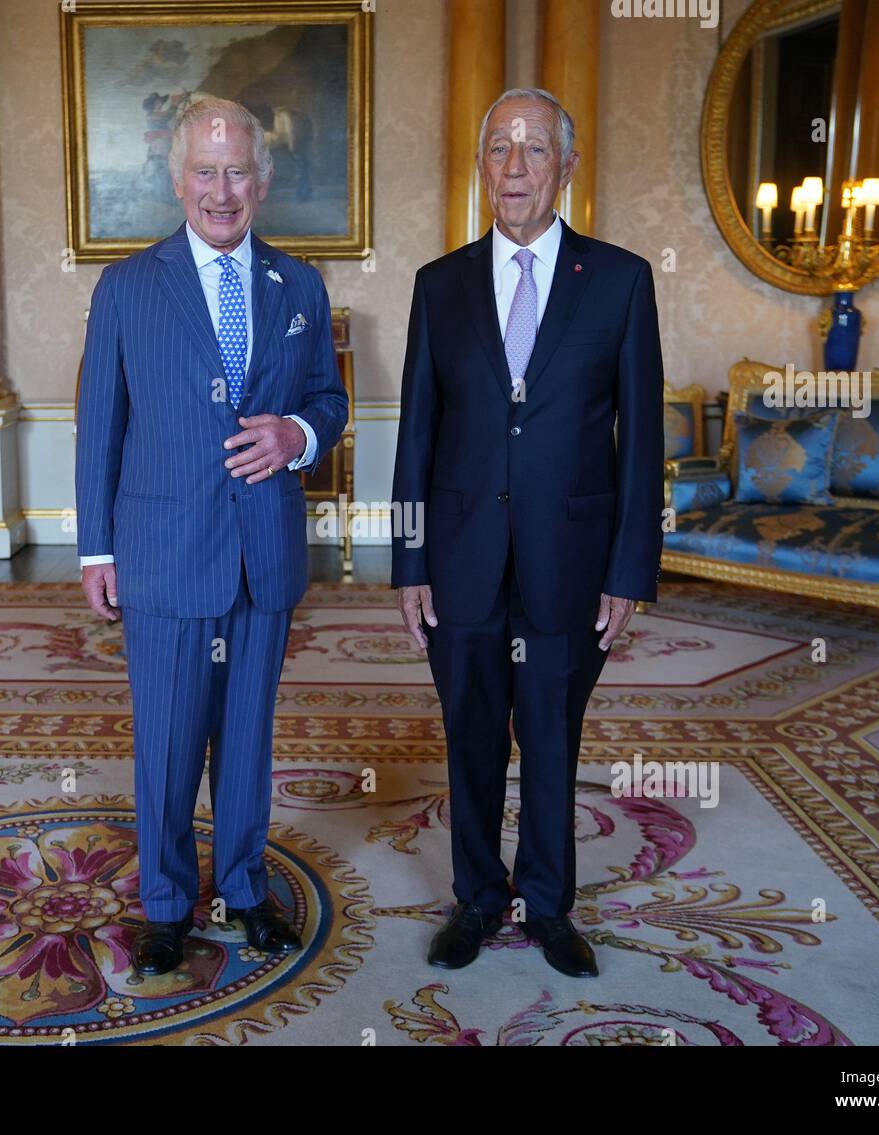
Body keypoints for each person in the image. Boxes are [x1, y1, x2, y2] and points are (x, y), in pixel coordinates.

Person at [391, 87, 664, 978]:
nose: (514, 167)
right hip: (460, 561)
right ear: (481, 167)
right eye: (499, 148)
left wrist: (629, 571)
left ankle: (549, 906)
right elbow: (415, 436)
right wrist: (408, 560)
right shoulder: (439, 286)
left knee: (551, 736)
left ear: (567, 166)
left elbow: (641, 439)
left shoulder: (620, 280)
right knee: (469, 734)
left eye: (534, 148)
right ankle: (477, 896)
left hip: (571, 563)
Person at [75, 97, 348, 975]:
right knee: (164, 742)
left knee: (246, 740)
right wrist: (95, 550)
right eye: (206, 171)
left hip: (262, 557)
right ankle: (164, 903)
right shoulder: (126, 286)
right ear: (177, 177)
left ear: (262, 182)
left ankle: (244, 886)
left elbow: (328, 402)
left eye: (238, 172)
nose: (221, 190)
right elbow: (97, 428)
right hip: (162, 556)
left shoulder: (299, 285)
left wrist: (296, 437)